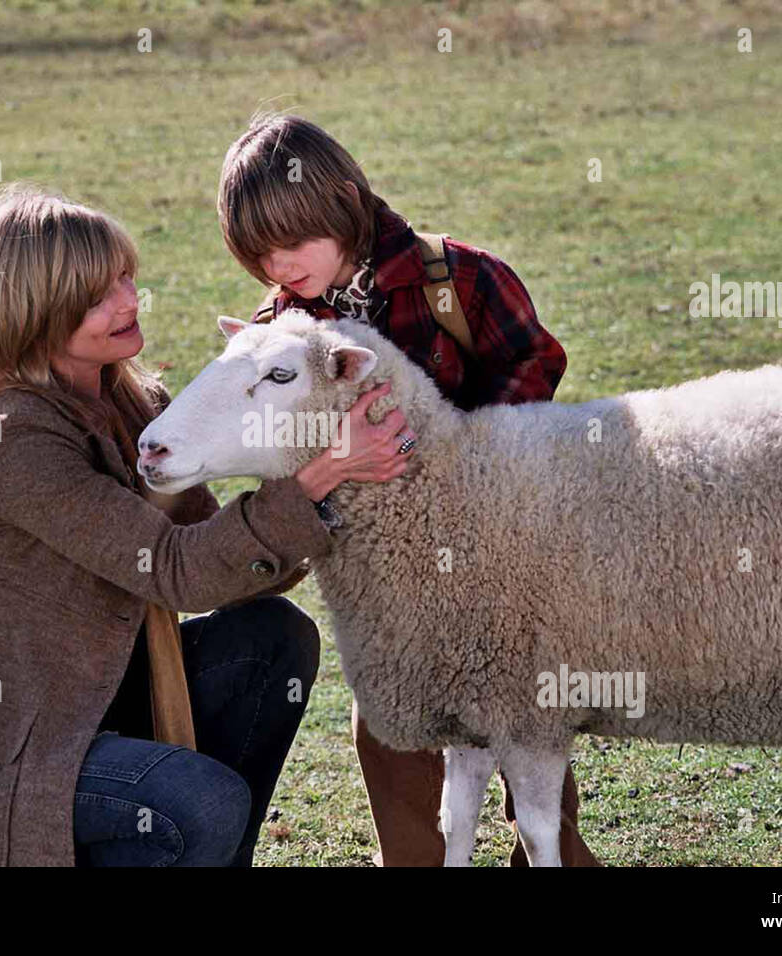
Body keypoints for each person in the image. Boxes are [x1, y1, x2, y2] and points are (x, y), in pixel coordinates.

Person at [0, 183, 417, 866]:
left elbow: (228, 568)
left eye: (125, 277)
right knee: (202, 801)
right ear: (33, 313)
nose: (128, 301)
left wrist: (307, 459)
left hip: (98, 704)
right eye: (95, 296)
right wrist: (318, 477)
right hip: (10, 753)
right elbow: (175, 569)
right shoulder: (11, 443)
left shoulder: (135, 405)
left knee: (273, 638)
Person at [217, 112, 600, 867]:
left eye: (292, 244)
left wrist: (457, 456)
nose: (278, 269)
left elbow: (533, 364)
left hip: (493, 566)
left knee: (523, 721)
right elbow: (275, 449)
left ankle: (553, 854)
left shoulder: (458, 279)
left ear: (343, 204)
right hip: (385, 587)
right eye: (258, 257)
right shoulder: (282, 331)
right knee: (392, 728)